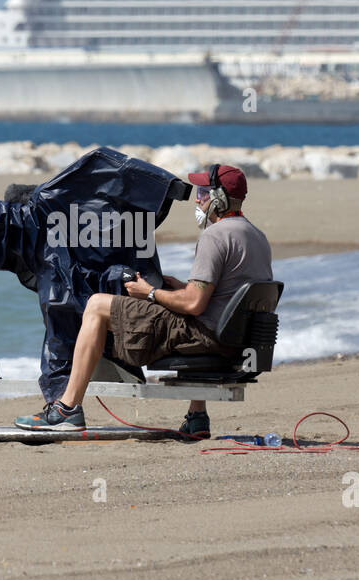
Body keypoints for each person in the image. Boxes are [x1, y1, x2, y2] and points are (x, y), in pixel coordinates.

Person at [15, 164, 273, 435]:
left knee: (97, 305)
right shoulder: (256, 236)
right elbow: (224, 296)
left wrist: (149, 292)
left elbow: (194, 305)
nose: (198, 198)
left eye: (204, 193)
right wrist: (180, 288)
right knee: (173, 303)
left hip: (205, 337)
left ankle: (67, 409)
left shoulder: (215, 236)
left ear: (219, 199)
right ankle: (197, 415)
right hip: (233, 340)